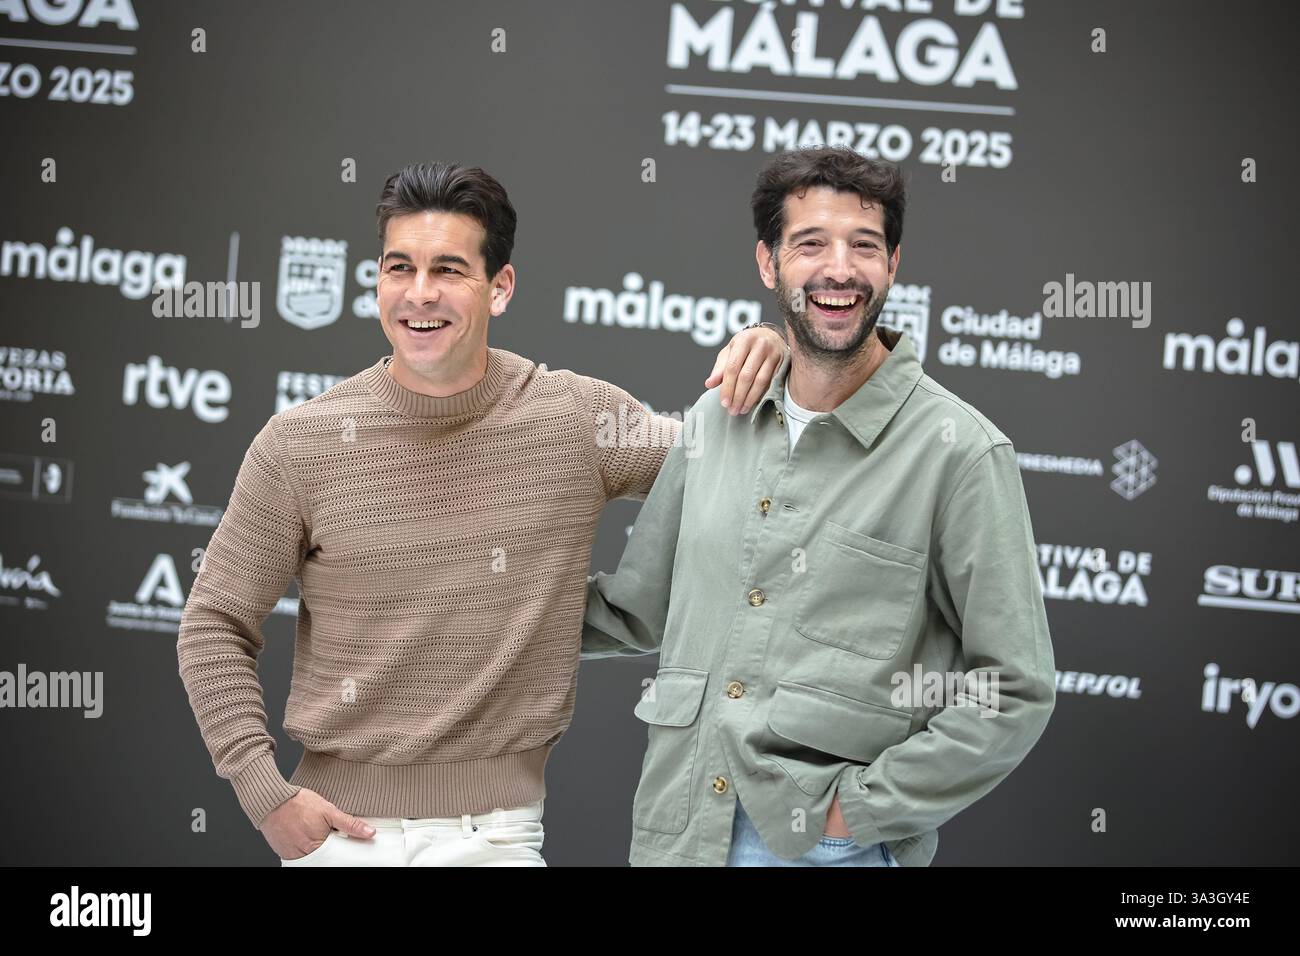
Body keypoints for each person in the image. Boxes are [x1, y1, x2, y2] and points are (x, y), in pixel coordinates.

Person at [175, 162, 787, 866]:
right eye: (398, 267)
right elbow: (212, 624)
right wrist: (264, 793)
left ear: (500, 289)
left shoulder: (573, 420)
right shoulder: (301, 444)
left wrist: (775, 352)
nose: (419, 294)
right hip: (336, 837)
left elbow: (731, 467)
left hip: (493, 836)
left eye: (449, 270)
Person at [582, 146, 1057, 867]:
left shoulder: (960, 453)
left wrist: (857, 813)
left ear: (893, 264)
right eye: (810, 244)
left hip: (826, 849)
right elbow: (635, 609)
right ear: (769, 264)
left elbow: (1014, 689)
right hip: (678, 836)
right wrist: (459, 603)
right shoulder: (717, 420)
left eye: (864, 246)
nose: (839, 269)